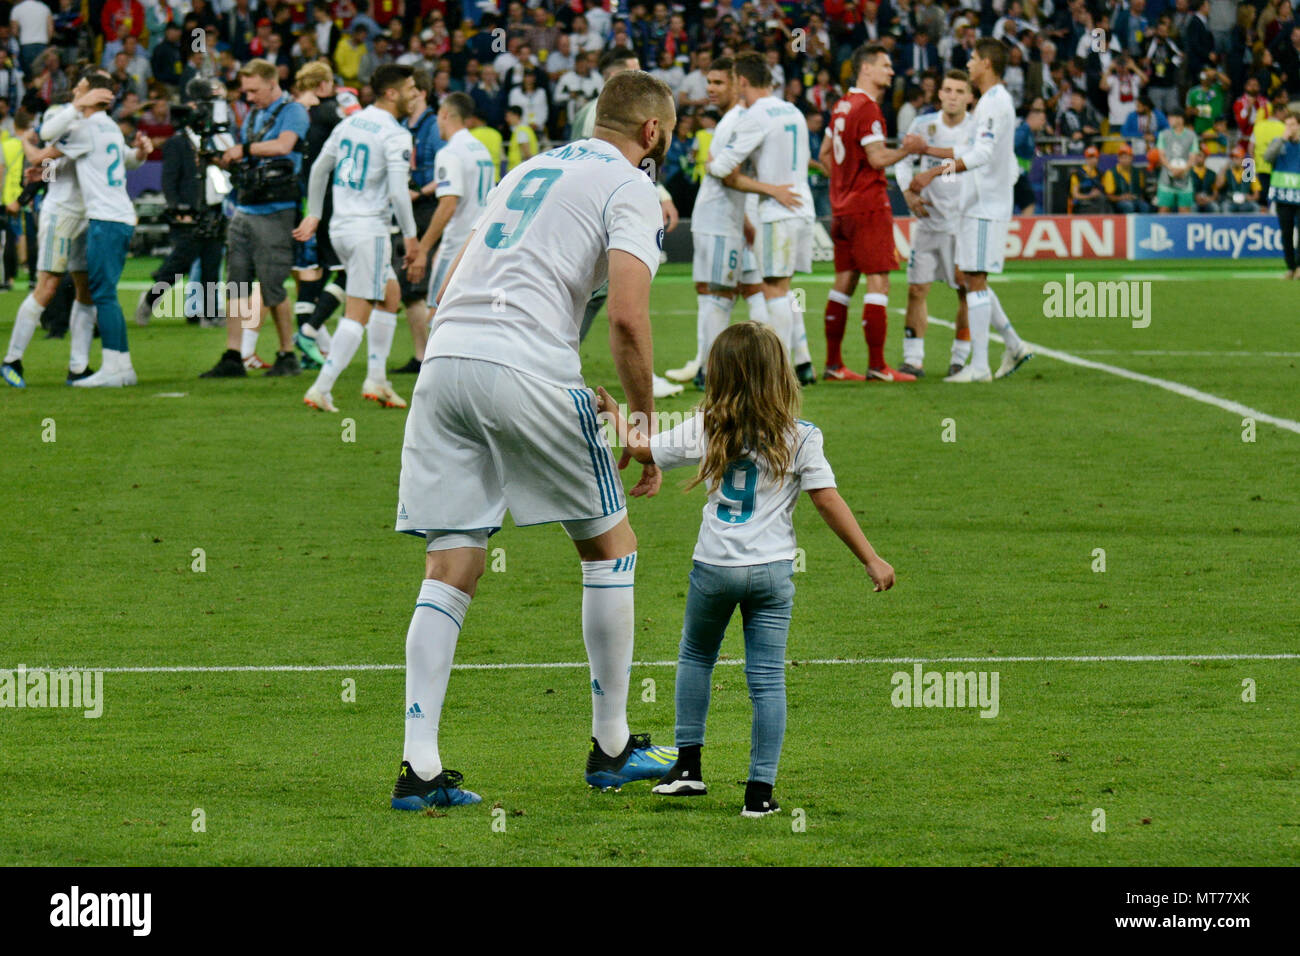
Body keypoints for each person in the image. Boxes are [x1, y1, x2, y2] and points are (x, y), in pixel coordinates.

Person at [389, 70, 679, 810]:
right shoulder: (632, 185)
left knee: (451, 561)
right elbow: (627, 317)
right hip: (522, 362)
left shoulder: (533, 165)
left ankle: (418, 767)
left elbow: (454, 285)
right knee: (611, 547)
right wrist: (642, 425)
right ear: (651, 133)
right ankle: (612, 746)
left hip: (445, 361)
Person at [596, 322, 895, 818]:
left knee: (696, 657)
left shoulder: (709, 425)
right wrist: (870, 557)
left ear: (720, 375)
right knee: (767, 680)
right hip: (773, 573)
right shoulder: (802, 436)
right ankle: (759, 795)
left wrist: (614, 412)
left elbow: (644, 449)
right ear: (780, 375)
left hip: (713, 567)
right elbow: (827, 500)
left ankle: (688, 770)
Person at [295, 63, 421, 413]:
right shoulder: (395, 134)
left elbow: (320, 167)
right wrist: (411, 238)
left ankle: (377, 379)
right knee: (359, 310)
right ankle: (322, 388)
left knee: (389, 293)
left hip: (341, 227)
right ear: (392, 92)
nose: (416, 94)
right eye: (411, 88)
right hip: (369, 229)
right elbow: (398, 192)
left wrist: (315, 213)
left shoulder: (350, 122)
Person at [909, 38, 1034, 384]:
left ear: (987, 65)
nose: (969, 64)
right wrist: (929, 150)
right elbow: (968, 146)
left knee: (974, 281)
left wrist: (933, 171)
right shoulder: (991, 103)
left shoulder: (994, 104)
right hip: (979, 202)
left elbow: (982, 155)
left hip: (984, 203)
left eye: (974, 59)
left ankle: (979, 366)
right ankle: (1013, 344)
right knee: (974, 279)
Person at [668, 56, 790, 390]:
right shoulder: (735, 120)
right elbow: (723, 171)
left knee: (722, 293)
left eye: (719, 82)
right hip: (720, 218)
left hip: (727, 219)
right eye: (708, 82)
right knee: (718, 294)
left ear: (738, 83)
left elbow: (721, 168)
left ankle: (709, 367)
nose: (710, 88)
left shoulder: (736, 119)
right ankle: (709, 370)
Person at [705, 52, 816, 384]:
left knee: (773, 289)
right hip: (804, 209)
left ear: (742, 81)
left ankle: (778, 373)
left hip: (778, 212)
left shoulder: (756, 115)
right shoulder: (793, 110)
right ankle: (801, 361)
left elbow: (722, 169)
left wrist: (764, 186)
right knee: (783, 287)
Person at [818, 43, 926, 384]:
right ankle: (878, 366)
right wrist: (907, 150)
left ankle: (834, 365)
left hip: (841, 210)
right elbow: (878, 158)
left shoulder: (841, 107)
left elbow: (823, 154)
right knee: (878, 281)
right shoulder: (867, 109)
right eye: (885, 65)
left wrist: (842, 181)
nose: (891, 71)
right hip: (867, 207)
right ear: (865, 68)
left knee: (843, 284)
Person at [38, 70, 151, 387]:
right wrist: (141, 153)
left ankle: (115, 368)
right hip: (118, 216)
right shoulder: (110, 126)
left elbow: (47, 132)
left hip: (105, 219)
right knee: (103, 292)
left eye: (81, 89)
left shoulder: (86, 126)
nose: (75, 92)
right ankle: (121, 366)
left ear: (92, 94)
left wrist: (76, 106)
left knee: (103, 294)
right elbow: (126, 161)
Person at [202, 59, 309, 379]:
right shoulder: (253, 114)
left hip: (276, 209)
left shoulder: (292, 111)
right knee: (235, 284)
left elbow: (284, 145)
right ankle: (234, 354)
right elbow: (244, 156)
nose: (249, 97)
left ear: (272, 82)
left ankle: (287, 353)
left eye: (254, 90)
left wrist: (243, 148)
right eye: (245, 91)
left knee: (272, 285)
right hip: (246, 208)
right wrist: (221, 158)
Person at [1, 78, 107, 388]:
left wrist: (40, 173)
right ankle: (11, 360)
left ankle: (78, 367)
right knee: (47, 286)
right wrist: (28, 150)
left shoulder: (94, 122)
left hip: (86, 214)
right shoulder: (61, 115)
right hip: (61, 213)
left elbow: (49, 163)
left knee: (84, 289)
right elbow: (43, 152)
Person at [895, 69, 974, 380]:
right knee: (916, 289)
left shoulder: (975, 129)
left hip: (964, 223)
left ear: (969, 97)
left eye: (959, 91)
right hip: (928, 223)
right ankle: (912, 360)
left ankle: (960, 358)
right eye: (948, 90)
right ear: (939, 94)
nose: (953, 96)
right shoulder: (922, 125)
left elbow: (970, 157)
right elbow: (903, 161)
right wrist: (907, 194)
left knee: (966, 291)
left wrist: (929, 170)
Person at [408, 90, 493, 331]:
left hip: (457, 245)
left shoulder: (450, 153)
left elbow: (448, 205)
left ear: (444, 114)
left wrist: (423, 249)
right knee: (471, 315)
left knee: (438, 312)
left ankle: (436, 367)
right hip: (482, 245)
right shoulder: (480, 149)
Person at [388, 67, 444, 376]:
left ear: (420, 93)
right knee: (410, 285)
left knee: (420, 283)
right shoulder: (401, 126)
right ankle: (421, 354)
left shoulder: (433, 126)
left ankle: (430, 357)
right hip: (407, 209)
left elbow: (446, 173)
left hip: (425, 208)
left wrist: (419, 192)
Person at [1265, 109, 1300, 278]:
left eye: (1292, 124)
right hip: (1283, 195)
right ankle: (1290, 267)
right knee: (1286, 233)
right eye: (1286, 124)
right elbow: (1267, 158)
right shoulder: (1278, 143)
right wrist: (1282, 140)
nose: (1289, 128)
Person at [1153, 110, 1198, 212]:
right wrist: (1171, 168)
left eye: (1171, 118)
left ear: (1180, 119)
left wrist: (1183, 170)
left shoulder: (1191, 136)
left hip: (1185, 179)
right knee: (1163, 210)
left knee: (1185, 211)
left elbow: (1192, 157)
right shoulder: (1163, 134)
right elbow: (1161, 155)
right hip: (1166, 179)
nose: (1169, 120)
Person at [1103, 143, 1151, 212]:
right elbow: (1109, 196)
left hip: (1135, 200)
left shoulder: (1138, 172)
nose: (1124, 160)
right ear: (1118, 158)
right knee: (1128, 206)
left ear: (1132, 158)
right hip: (1119, 202)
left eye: (1127, 157)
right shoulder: (1111, 173)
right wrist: (1122, 197)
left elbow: (1141, 191)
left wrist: (1136, 197)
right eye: (1122, 157)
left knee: (1145, 206)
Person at [1217, 144, 1261, 212]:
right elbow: (1218, 185)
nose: (1235, 160)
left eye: (1237, 157)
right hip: (1230, 201)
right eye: (1233, 158)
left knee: (1255, 207)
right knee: (1225, 206)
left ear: (1243, 159)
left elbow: (1256, 195)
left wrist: (1248, 197)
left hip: (1245, 202)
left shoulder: (1249, 173)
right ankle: (1228, 223)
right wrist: (1224, 168)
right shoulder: (1227, 172)